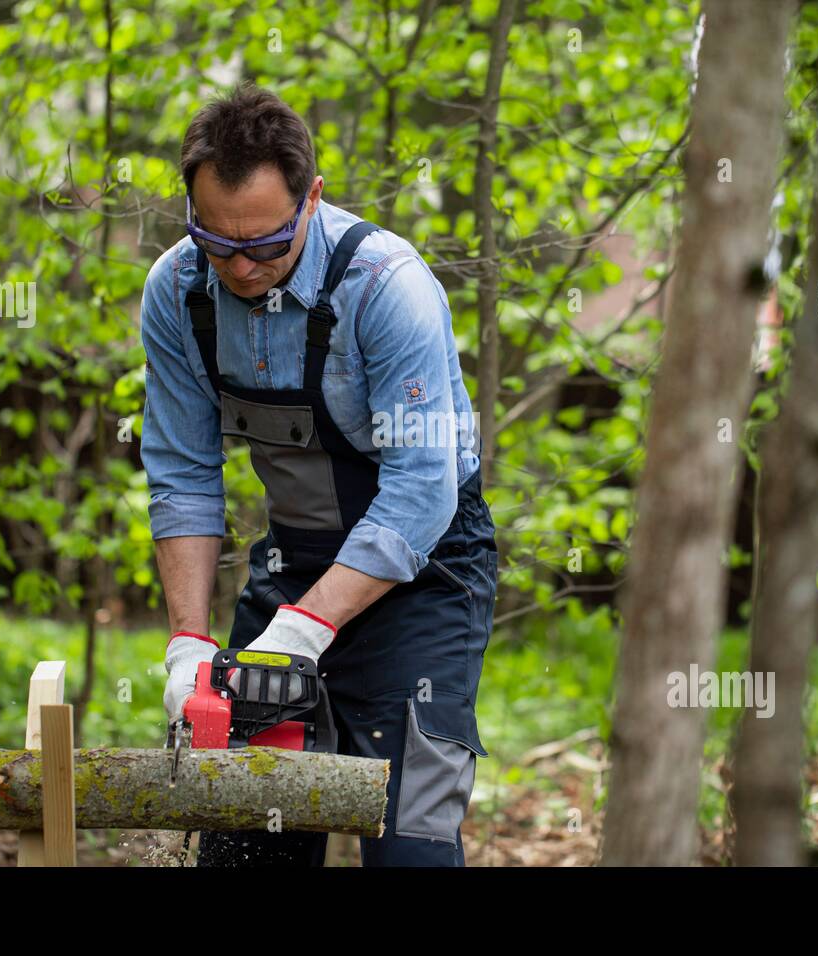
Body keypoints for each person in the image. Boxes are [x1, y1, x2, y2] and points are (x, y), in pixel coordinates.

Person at [140, 82, 498, 866]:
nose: (239, 267)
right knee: (244, 835)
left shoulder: (385, 285)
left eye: (266, 245)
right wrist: (190, 644)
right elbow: (182, 473)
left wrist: (304, 630)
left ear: (312, 200)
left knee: (411, 840)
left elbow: (420, 490)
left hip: (429, 574)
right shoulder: (175, 292)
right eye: (216, 240)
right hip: (294, 560)